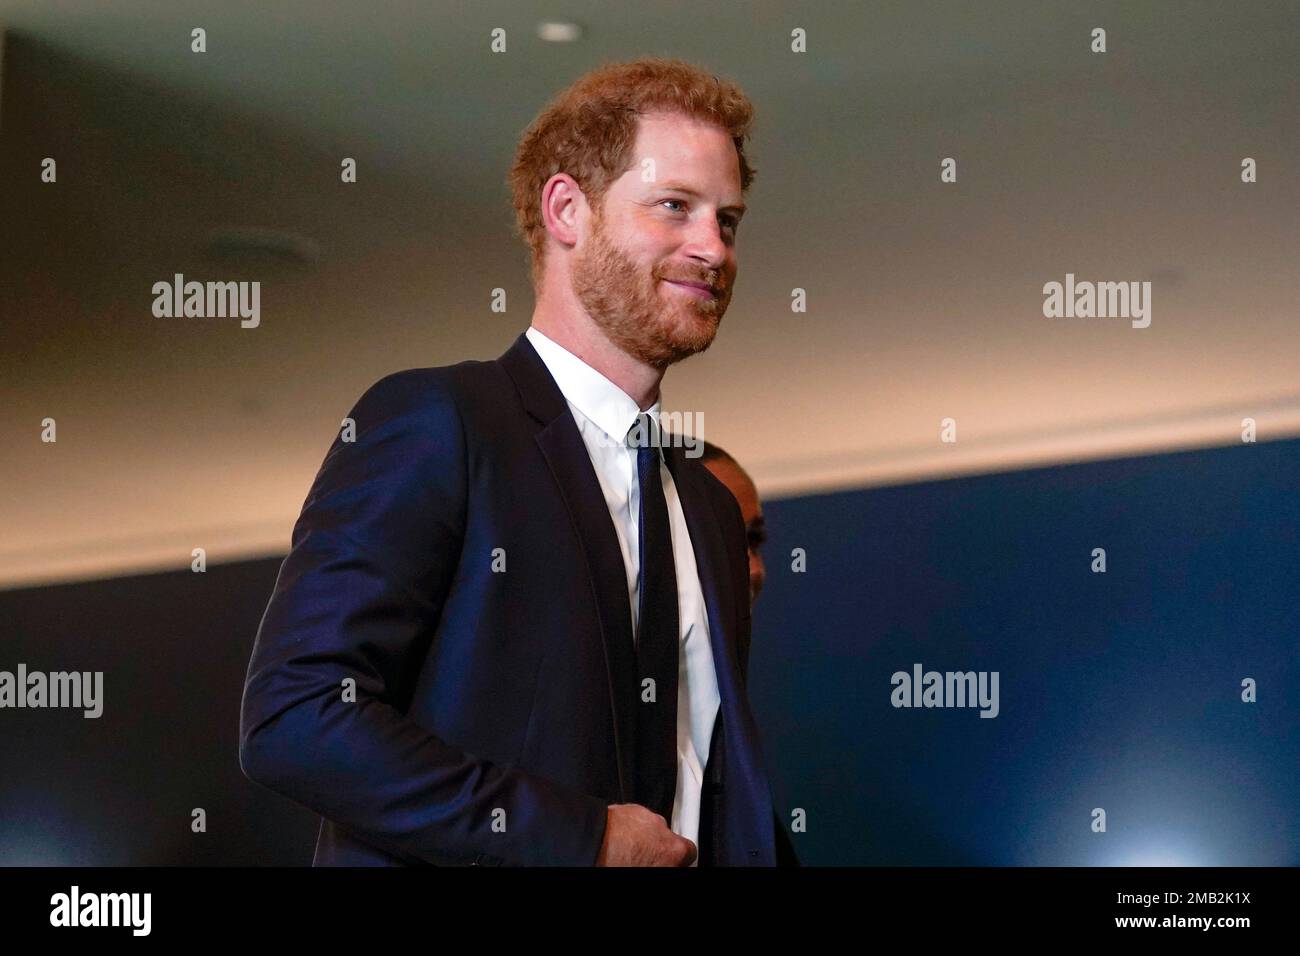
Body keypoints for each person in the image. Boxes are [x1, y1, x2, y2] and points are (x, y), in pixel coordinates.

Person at [239, 56, 788, 866]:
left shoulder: (706, 508)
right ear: (567, 209)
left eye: (728, 220)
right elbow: (296, 717)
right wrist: (582, 839)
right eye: (675, 207)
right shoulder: (440, 423)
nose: (713, 248)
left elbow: (712, 786)